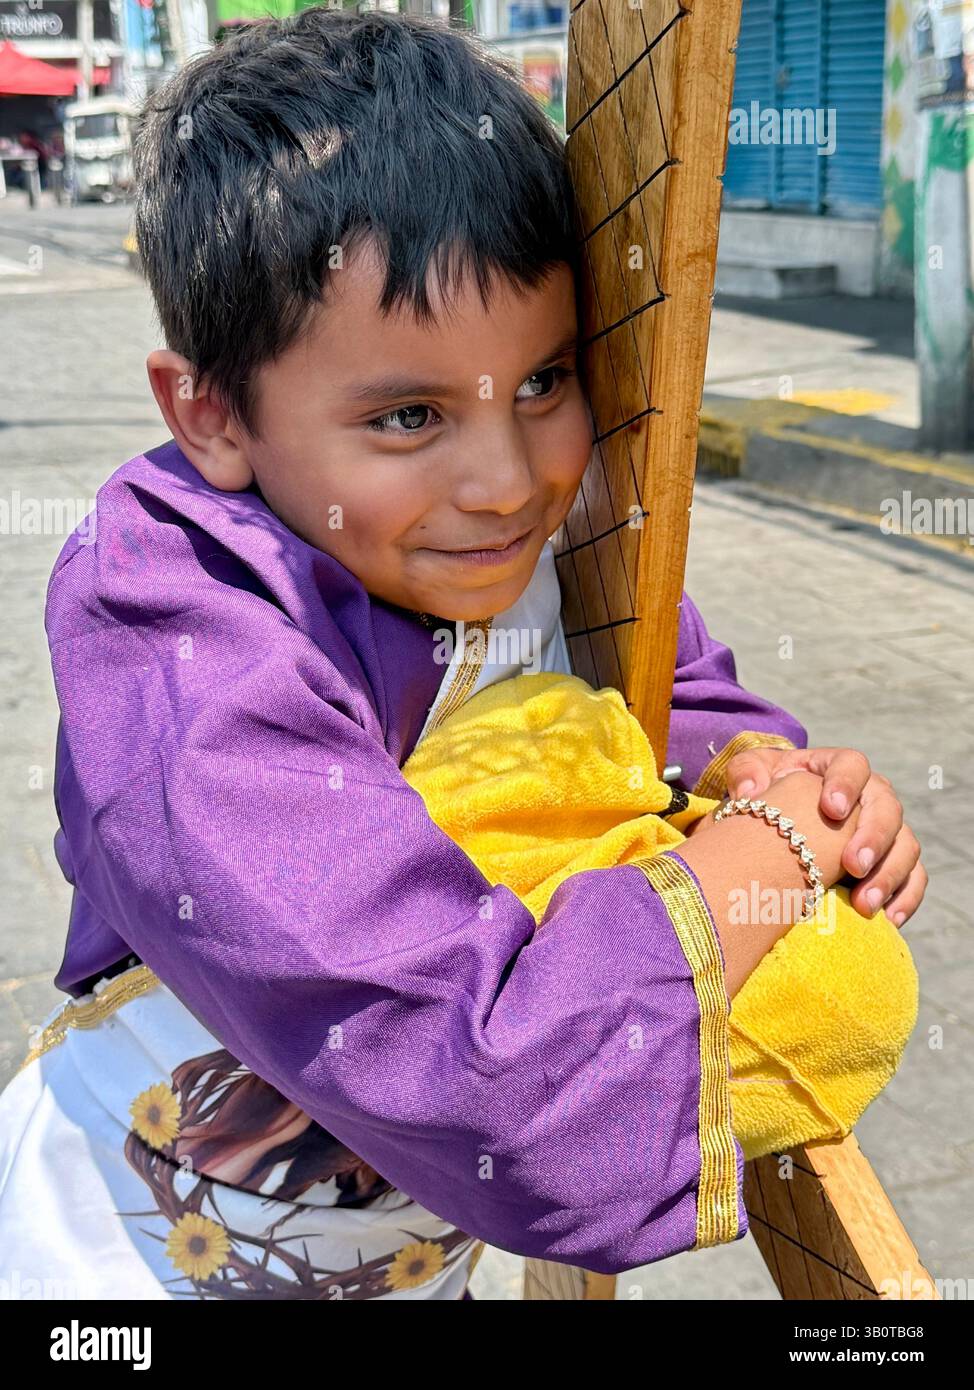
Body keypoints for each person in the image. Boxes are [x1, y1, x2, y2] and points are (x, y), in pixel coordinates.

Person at [0, 8, 926, 1300]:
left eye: (544, 381)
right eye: (408, 414)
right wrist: (759, 862)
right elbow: (487, 1075)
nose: (504, 483)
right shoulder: (170, 617)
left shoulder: (525, 548)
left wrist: (785, 778)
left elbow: (673, 697)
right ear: (209, 413)